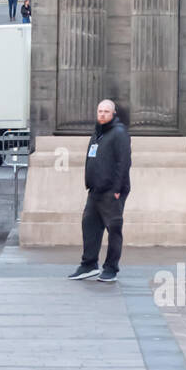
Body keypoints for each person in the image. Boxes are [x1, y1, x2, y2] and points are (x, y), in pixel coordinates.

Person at [69, 99, 131, 283]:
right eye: (100, 111)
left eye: (106, 111)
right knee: (89, 226)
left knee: (114, 229)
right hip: (95, 190)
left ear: (113, 114)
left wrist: (118, 189)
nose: (102, 114)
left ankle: (111, 268)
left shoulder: (119, 133)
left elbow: (124, 162)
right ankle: (88, 265)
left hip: (111, 191)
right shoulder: (98, 133)